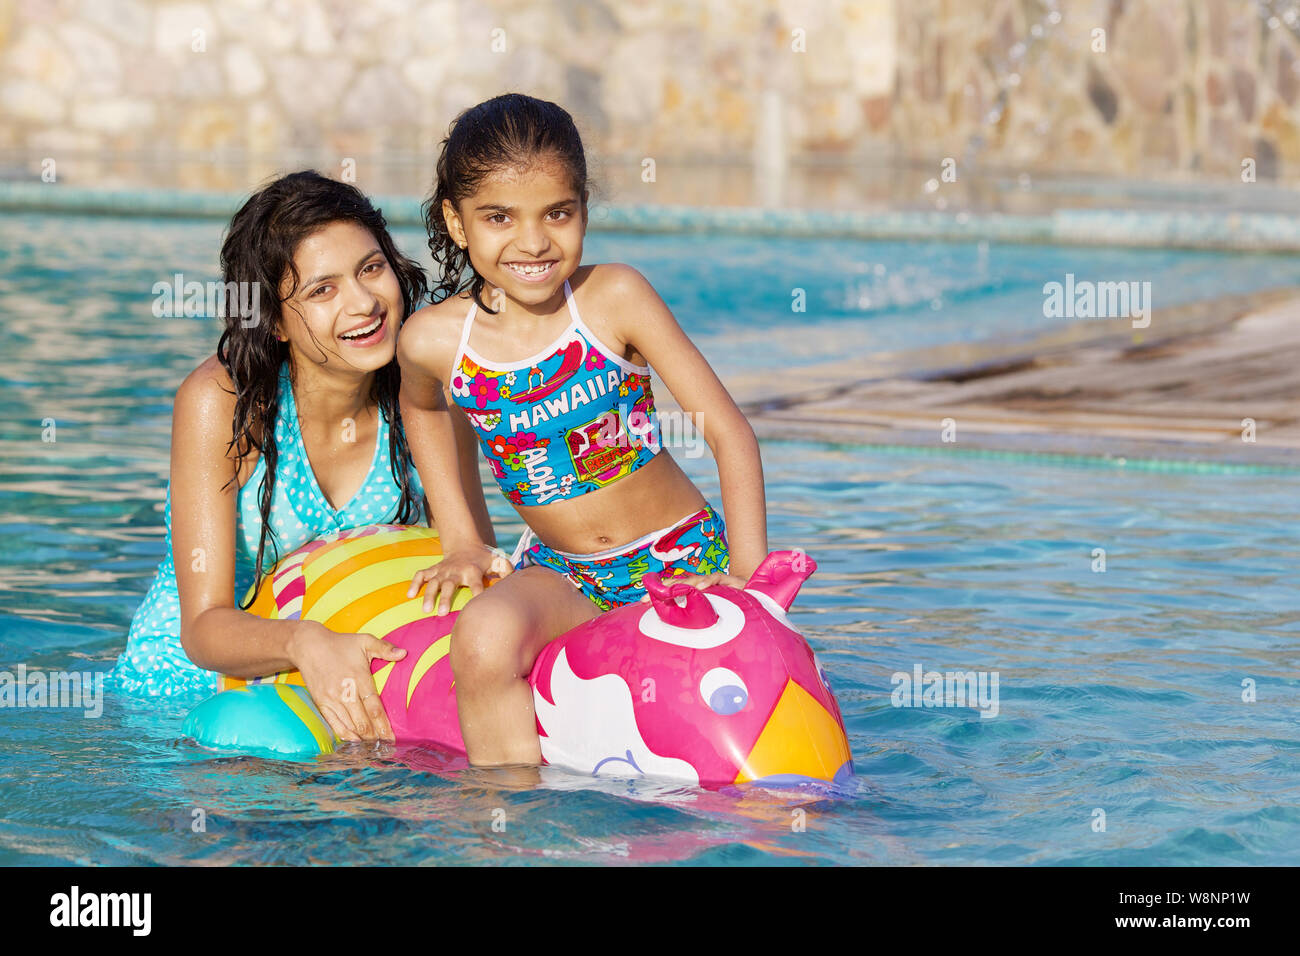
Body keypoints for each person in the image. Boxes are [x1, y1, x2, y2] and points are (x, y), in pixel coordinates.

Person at [398, 94, 767, 767]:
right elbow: (421, 409)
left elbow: (729, 434)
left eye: (557, 214)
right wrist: (461, 539)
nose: (533, 242)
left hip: (682, 563)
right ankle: (509, 820)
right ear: (456, 221)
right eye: (498, 217)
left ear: (584, 210)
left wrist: (748, 577)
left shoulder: (613, 298)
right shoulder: (434, 341)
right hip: (564, 575)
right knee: (481, 639)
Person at [112, 171, 494, 742]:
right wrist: (303, 641)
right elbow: (203, 626)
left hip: (348, 684)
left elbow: (469, 560)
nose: (365, 303)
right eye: (322, 290)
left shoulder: (430, 394)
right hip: (188, 704)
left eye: (371, 269)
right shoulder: (223, 403)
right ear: (273, 320)